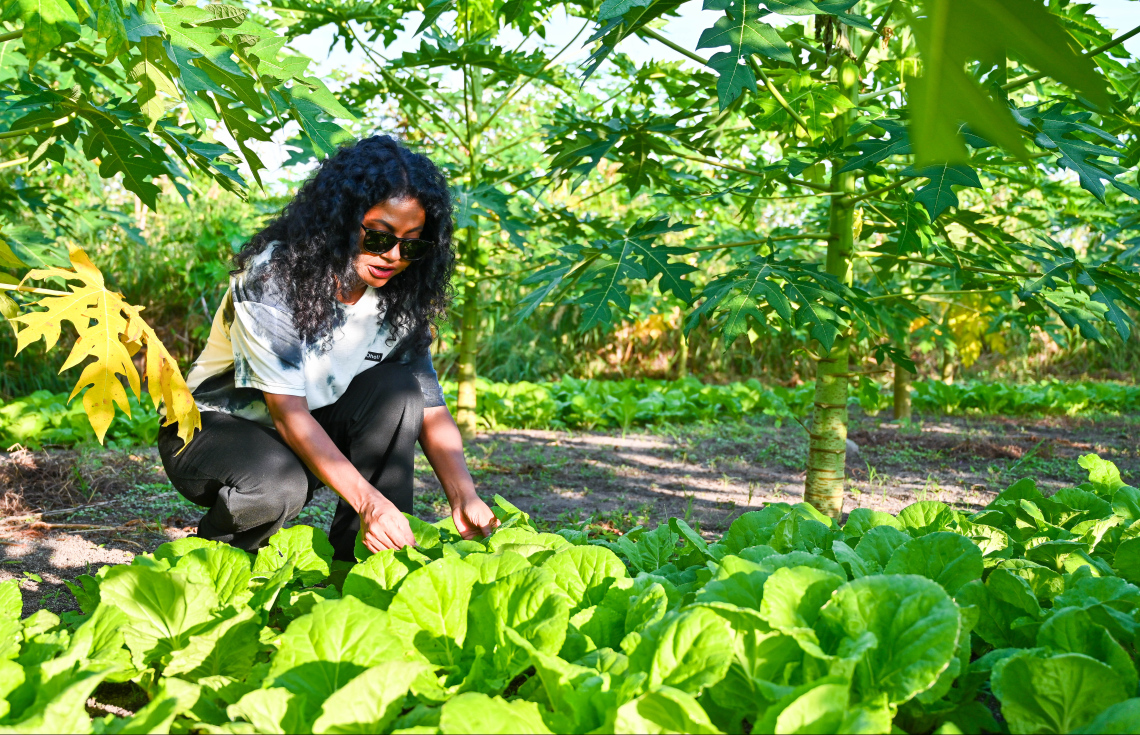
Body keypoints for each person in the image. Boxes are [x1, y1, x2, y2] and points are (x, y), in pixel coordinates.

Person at [158, 135, 499, 560]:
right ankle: (212, 559)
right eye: (379, 237)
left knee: (400, 390)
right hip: (208, 430)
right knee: (279, 485)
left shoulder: (401, 296)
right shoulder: (272, 278)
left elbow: (430, 405)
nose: (394, 255)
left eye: (411, 245)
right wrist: (370, 501)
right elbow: (288, 414)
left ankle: (365, 565)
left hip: (305, 432)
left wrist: (463, 496)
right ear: (341, 220)